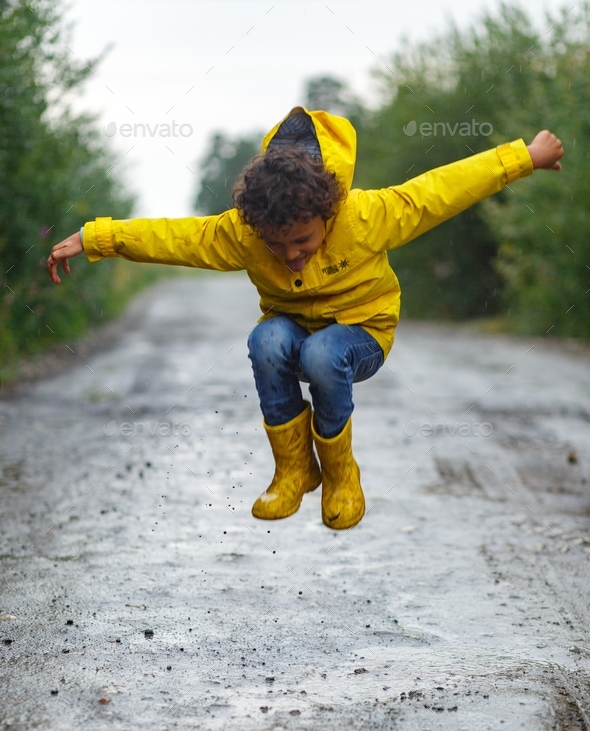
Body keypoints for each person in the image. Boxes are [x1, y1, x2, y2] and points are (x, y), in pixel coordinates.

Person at [47, 107, 563, 530]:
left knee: (323, 352)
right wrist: (96, 239)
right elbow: (175, 237)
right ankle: (294, 469)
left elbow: (444, 188)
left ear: (328, 213)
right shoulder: (243, 235)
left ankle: (340, 474)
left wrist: (525, 157)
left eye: (303, 241)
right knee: (267, 338)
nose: (291, 255)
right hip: (294, 332)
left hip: (362, 333)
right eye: (277, 245)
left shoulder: (367, 216)